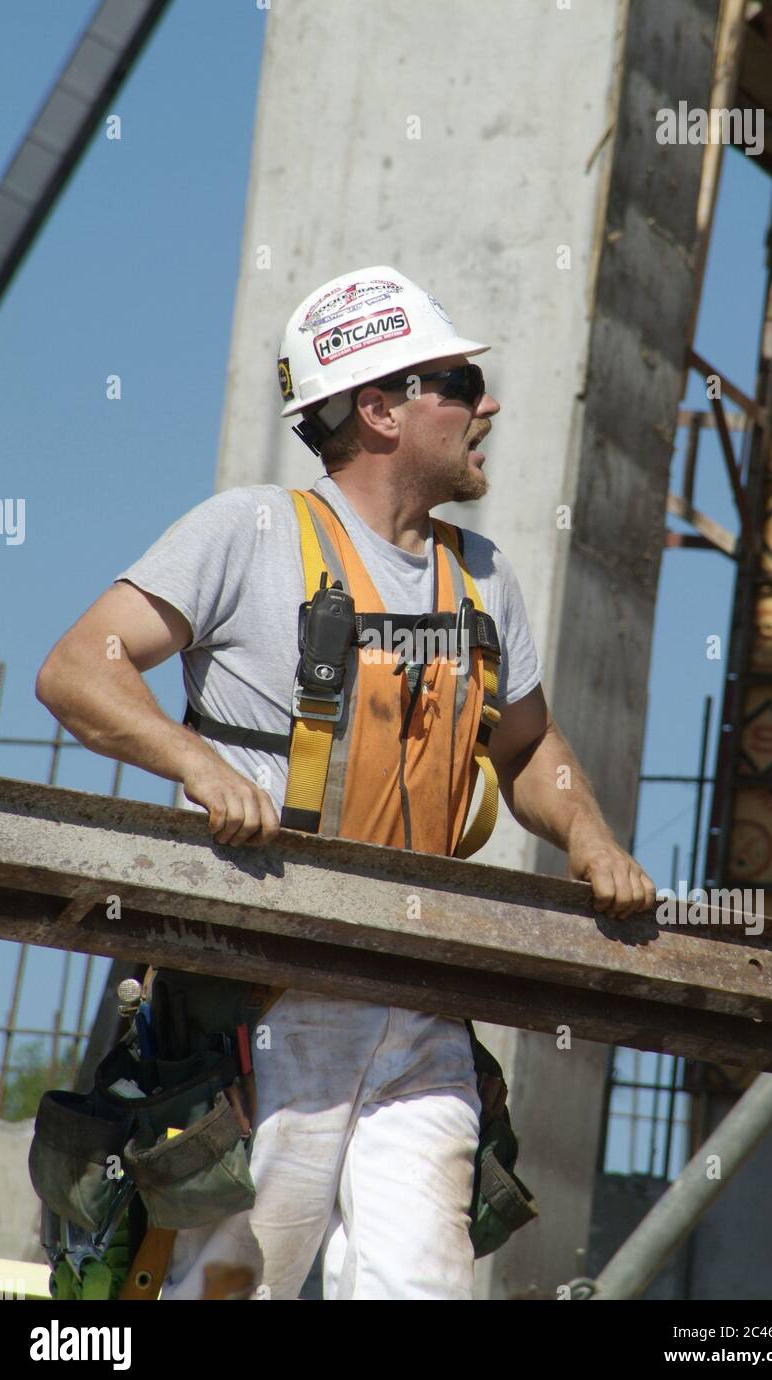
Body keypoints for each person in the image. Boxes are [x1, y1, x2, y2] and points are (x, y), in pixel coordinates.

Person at [36, 265, 656, 1300]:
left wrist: (586, 835)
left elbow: (528, 749)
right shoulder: (251, 533)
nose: (485, 404)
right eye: (456, 381)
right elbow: (76, 667)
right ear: (378, 410)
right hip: (266, 999)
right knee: (231, 1281)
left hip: (420, 1004)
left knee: (425, 1285)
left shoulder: (484, 577)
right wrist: (200, 764)